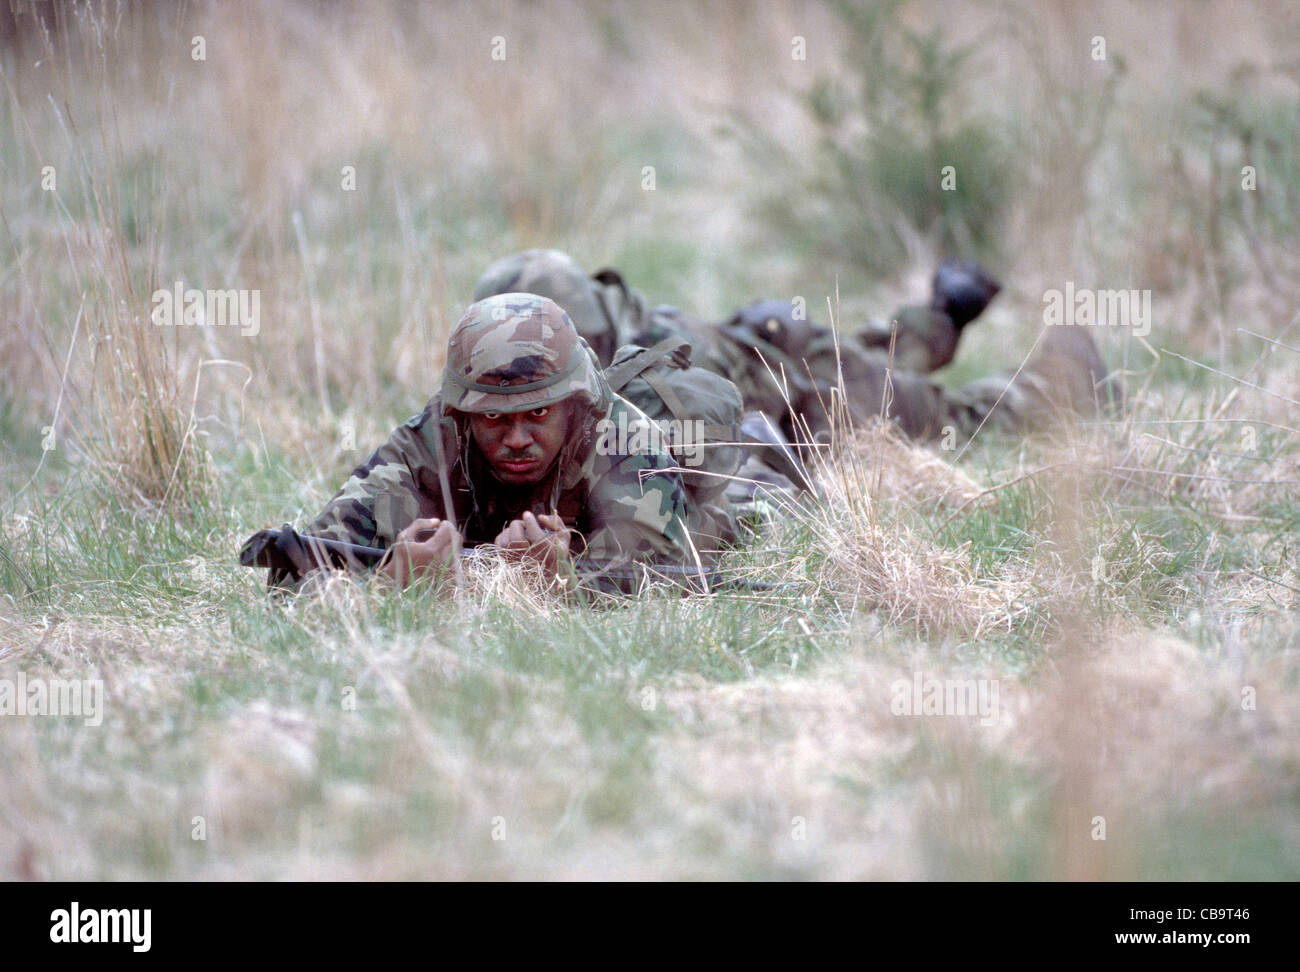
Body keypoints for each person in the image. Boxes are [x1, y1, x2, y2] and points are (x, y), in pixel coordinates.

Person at [271, 292, 695, 593]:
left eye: (539, 413)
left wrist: (562, 582)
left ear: (574, 405)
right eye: (493, 416)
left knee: (734, 502)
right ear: (462, 413)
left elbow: (658, 587)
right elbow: (291, 574)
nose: (516, 439)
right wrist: (390, 581)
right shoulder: (431, 442)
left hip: (691, 480)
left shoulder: (624, 442)